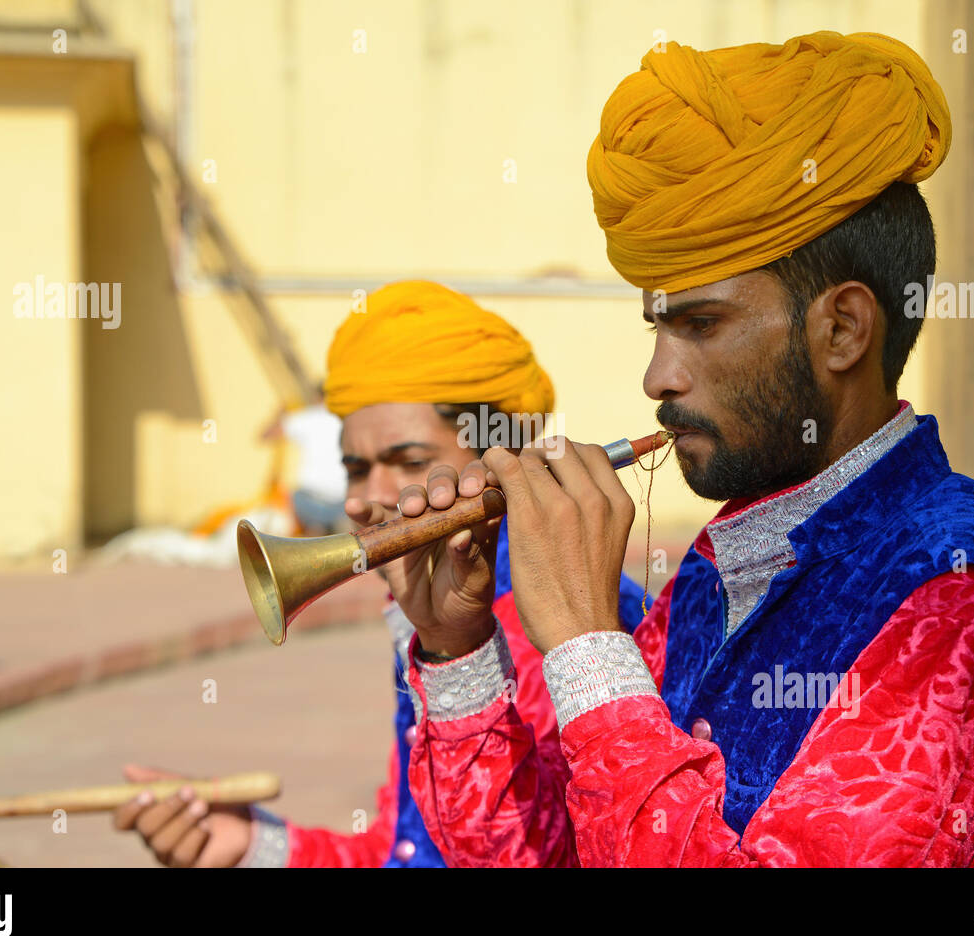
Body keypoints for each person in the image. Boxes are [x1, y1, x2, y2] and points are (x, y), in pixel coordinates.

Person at [395, 33, 974, 866]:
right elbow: (562, 851)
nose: (658, 375)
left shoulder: (954, 589)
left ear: (841, 328)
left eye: (701, 324)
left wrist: (591, 649)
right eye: (659, 326)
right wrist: (456, 646)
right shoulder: (720, 568)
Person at [112, 280, 649, 867]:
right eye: (356, 468)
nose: (374, 496)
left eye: (412, 462)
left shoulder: (565, 621)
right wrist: (255, 846)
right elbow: (410, 847)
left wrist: (457, 651)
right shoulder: (429, 615)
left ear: (503, 462)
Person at [260, 383, 347, 536]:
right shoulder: (345, 416)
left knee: (311, 543)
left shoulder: (307, 417)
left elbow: (265, 435)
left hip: (310, 497)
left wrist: (281, 414)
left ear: (317, 397)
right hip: (343, 499)